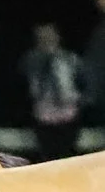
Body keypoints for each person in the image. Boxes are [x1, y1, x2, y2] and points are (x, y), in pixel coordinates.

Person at [24, 23, 89, 162]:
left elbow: (84, 82)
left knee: (68, 158)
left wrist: (80, 101)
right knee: (48, 158)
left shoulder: (71, 59)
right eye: (42, 35)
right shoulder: (32, 60)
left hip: (68, 116)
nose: (46, 38)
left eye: (50, 34)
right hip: (43, 118)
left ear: (57, 36)